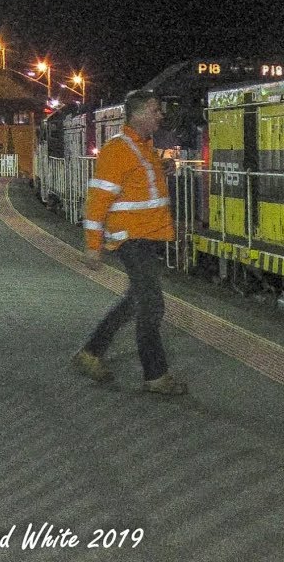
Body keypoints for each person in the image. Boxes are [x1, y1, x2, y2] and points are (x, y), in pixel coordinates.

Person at [71, 89, 187, 395]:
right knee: (151, 306)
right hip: (131, 239)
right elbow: (97, 200)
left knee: (135, 301)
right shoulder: (117, 149)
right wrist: (91, 245)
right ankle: (155, 375)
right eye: (155, 110)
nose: (160, 115)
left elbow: (139, 185)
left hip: (147, 237)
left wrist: (162, 169)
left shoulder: (144, 148)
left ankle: (90, 353)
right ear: (137, 114)